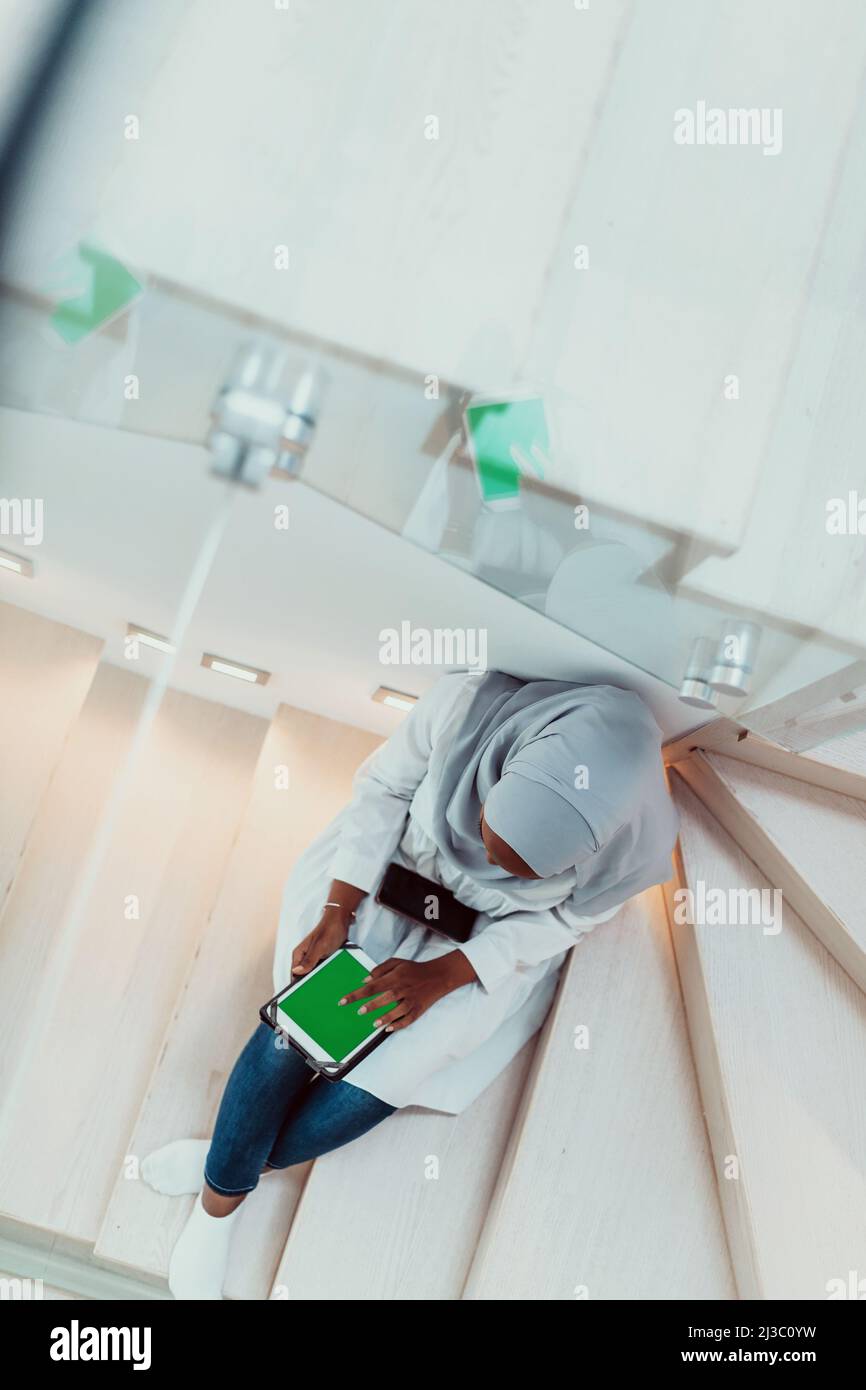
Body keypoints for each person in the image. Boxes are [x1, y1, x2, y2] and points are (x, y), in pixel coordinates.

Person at [143, 669, 679, 1298]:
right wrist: (336, 913)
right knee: (303, 1024)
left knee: (387, 1075)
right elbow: (383, 786)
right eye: (486, 830)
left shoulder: (641, 849)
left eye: (520, 867)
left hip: (477, 944)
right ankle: (220, 1203)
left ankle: (224, 1175)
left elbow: (565, 919)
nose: (480, 856)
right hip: (384, 874)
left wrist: (444, 976)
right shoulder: (464, 706)